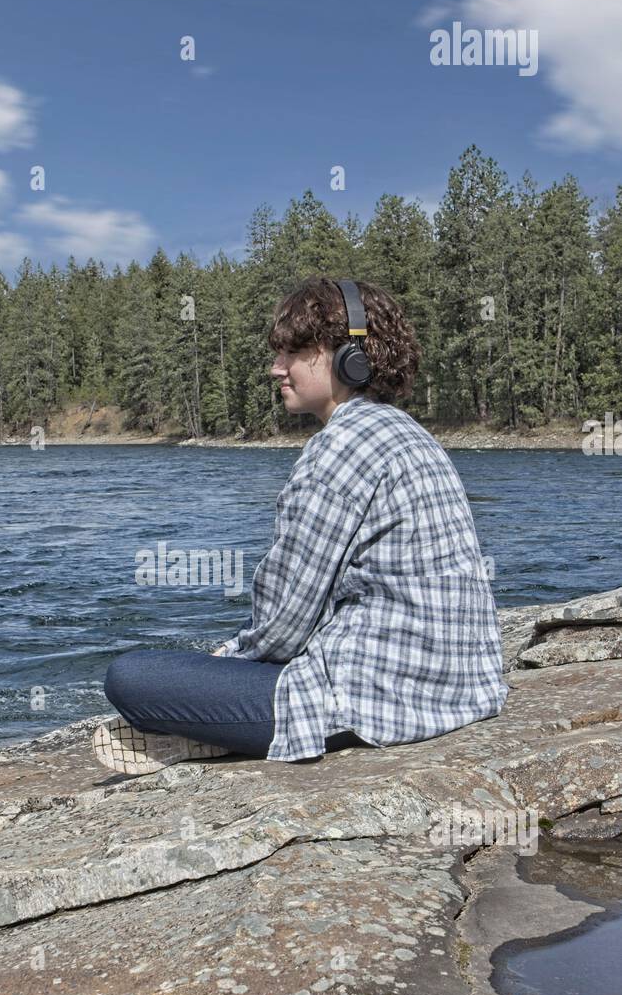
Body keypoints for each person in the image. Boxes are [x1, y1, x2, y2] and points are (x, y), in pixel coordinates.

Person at [93, 276, 508, 777]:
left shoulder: (339, 447)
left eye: (292, 352)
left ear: (346, 357)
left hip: (375, 700)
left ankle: (211, 735)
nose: (276, 369)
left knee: (131, 677)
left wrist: (228, 657)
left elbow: (285, 621)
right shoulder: (408, 431)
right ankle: (213, 729)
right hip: (461, 690)